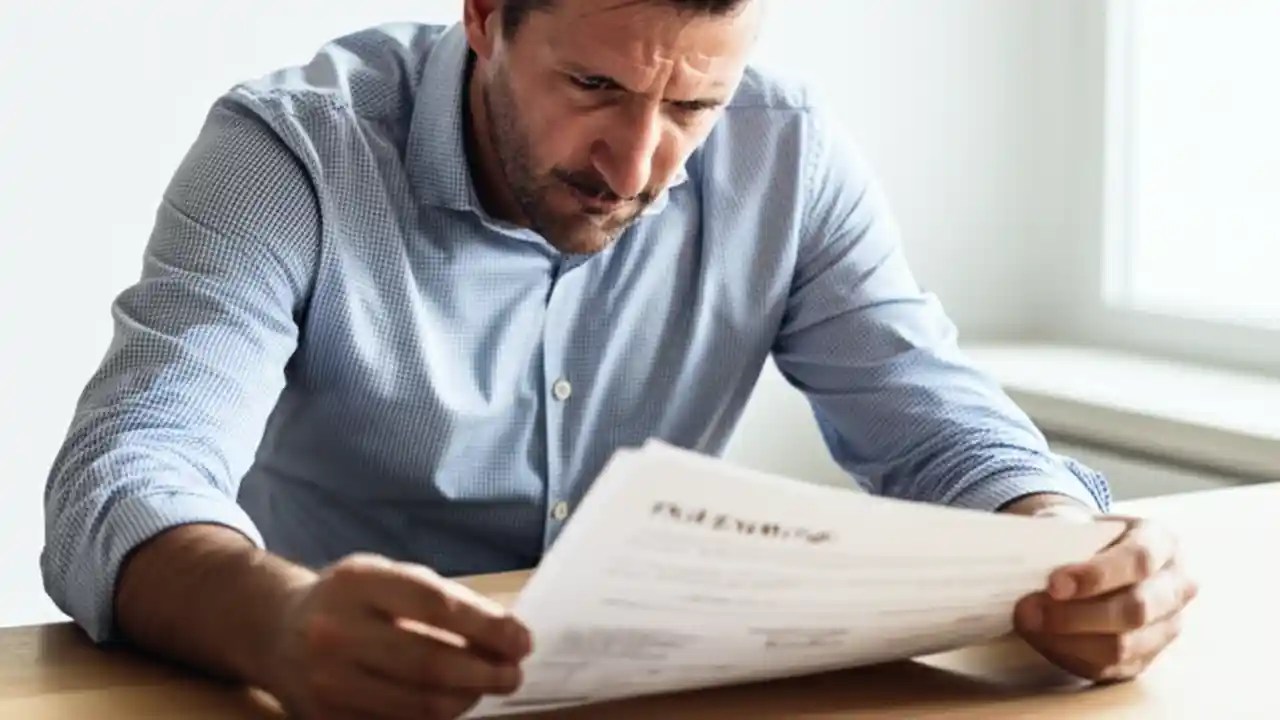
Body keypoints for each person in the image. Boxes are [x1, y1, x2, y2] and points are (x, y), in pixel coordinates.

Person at [41, 1, 1198, 718]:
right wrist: (275, 625)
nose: (638, 166)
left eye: (693, 101)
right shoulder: (290, 150)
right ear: (484, 15)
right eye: (593, 86)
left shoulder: (787, 155)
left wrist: (1065, 546)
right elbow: (131, 468)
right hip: (340, 696)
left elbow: (939, 428)